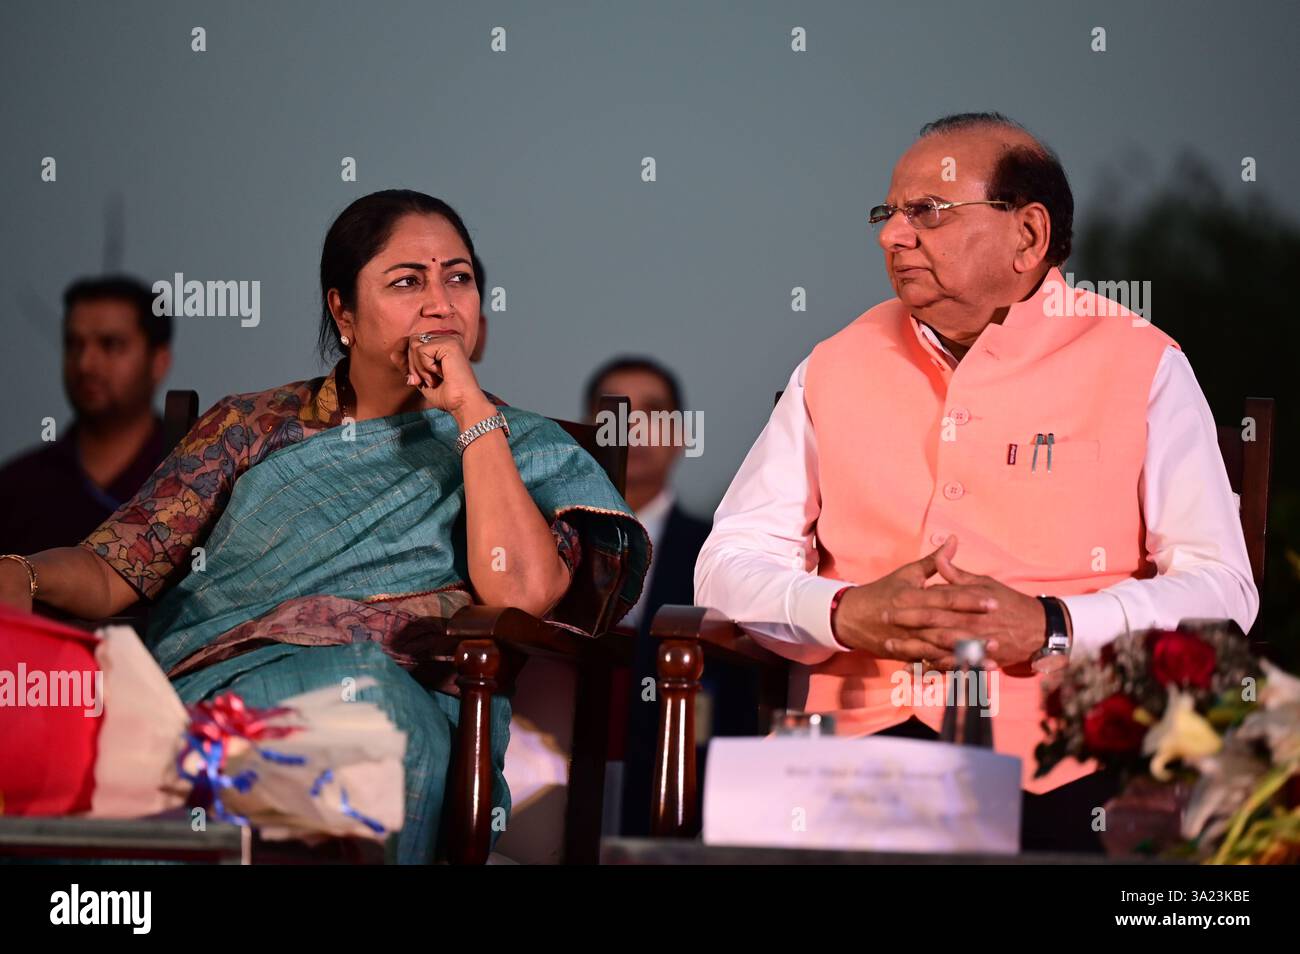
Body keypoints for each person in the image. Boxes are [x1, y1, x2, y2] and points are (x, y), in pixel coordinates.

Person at [0, 189, 649, 863]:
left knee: (370, 709)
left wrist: (468, 412)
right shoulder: (251, 427)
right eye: (407, 281)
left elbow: (521, 593)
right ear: (344, 311)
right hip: (219, 695)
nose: (440, 303)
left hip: (399, 709)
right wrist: (25, 572)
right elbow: (117, 566)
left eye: (459, 278)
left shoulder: (527, 448)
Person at [694, 113, 1258, 851]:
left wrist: (1053, 625)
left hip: (1066, 770)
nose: (891, 236)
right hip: (848, 765)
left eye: (926, 212)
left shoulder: (1142, 363)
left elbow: (1222, 590)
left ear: (1027, 235)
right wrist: (841, 611)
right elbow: (726, 564)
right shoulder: (834, 364)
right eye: (887, 214)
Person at [583, 356, 756, 836]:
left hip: (685, 797)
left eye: (653, 412)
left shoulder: (720, 553)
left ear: (680, 436)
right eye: (615, 410)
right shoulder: (548, 544)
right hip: (559, 778)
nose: (634, 426)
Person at [0, 276, 172, 555]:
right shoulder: (17, 488)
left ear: (159, 361)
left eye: (110, 344)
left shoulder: (196, 473)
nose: (85, 364)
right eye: (74, 344)